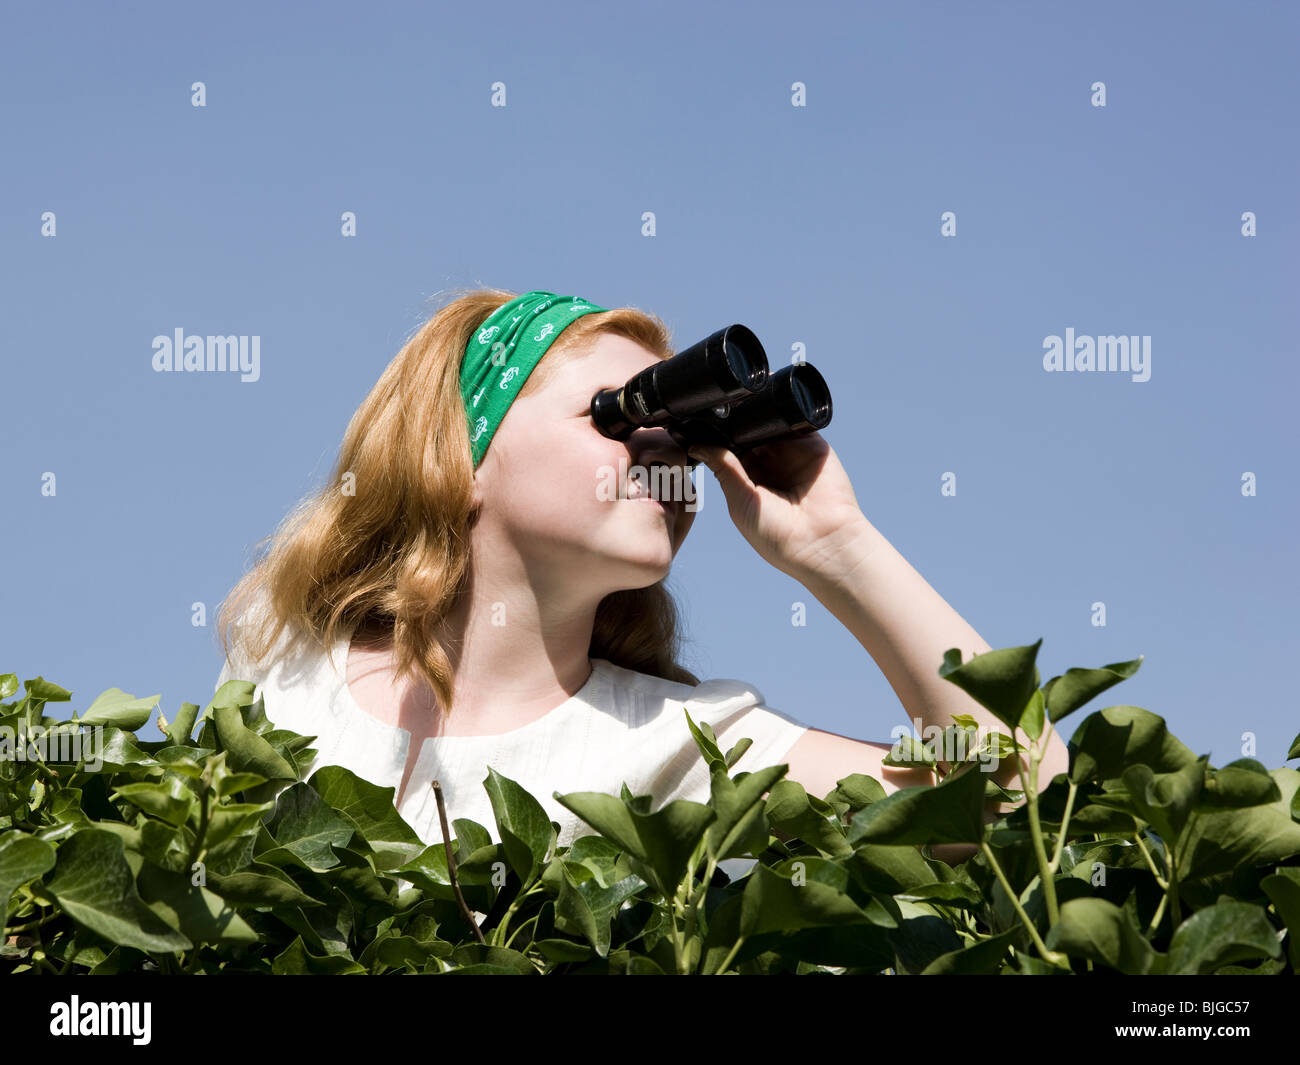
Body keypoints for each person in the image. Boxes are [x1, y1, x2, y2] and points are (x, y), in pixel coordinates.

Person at [215, 288, 1070, 864]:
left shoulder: (684, 744)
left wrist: (839, 544)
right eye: (616, 415)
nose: (664, 453)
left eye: (682, 432)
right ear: (459, 456)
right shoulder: (280, 683)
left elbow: (1018, 802)